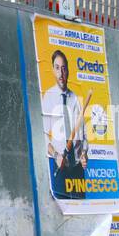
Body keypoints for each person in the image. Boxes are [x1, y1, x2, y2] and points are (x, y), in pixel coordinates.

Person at [41, 49, 88, 200]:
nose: (61, 73)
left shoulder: (75, 99)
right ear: (53, 71)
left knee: (81, 211)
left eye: (63, 68)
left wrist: (84, 154)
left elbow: (84, 136)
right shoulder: (48, 97)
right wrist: (56, 155)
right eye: (57, 68)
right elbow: (43, 135)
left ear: (67, 70)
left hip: (77, 170)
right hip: (59, 166)